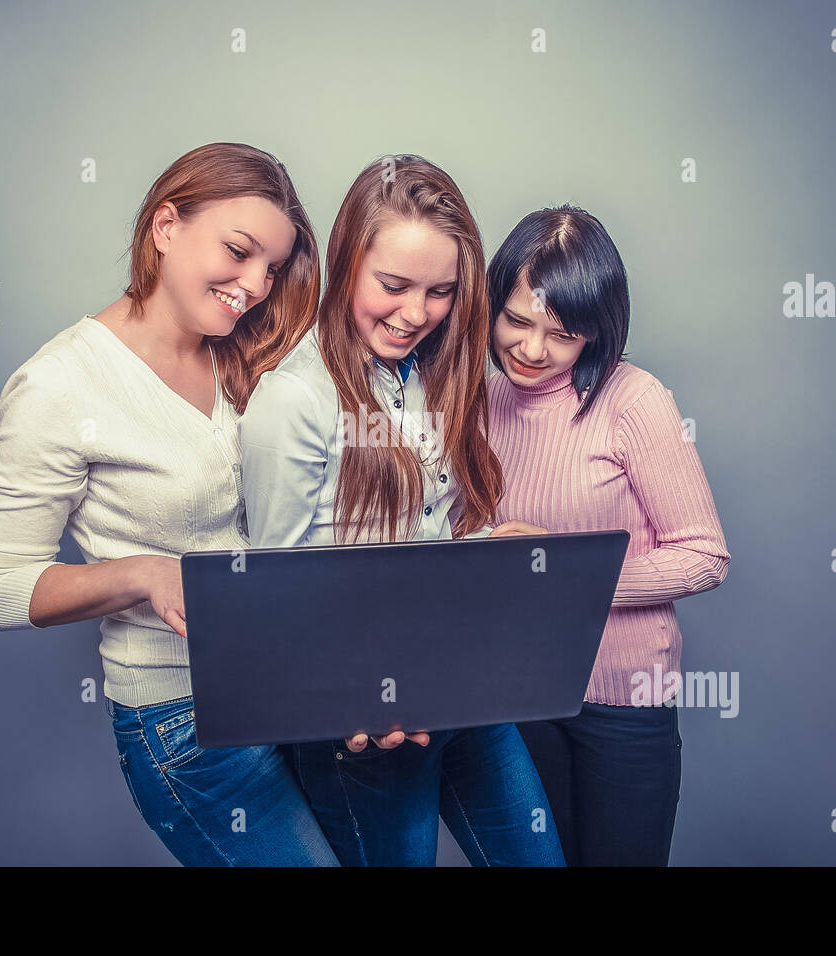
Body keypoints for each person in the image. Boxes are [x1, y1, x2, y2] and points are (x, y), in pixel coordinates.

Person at [0, 142, 341, 865]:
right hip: (183, 719)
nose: (255, 284)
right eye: (238, 251)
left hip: (291, 689)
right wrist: (143, 573)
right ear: (165, 225)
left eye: (272, 268)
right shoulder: (60, 385)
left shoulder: (249, 353)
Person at [238, 154, 564, 866]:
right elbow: (274, 594)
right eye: (393, 286)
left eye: (440, 292)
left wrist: (496, 554)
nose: (416, 314)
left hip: (464, 691)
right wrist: (347, 699)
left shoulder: (440, 372)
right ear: (347, 261)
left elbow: (436, 537)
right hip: (366, 729)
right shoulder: (294, 399)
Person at [484, 204, 731, 865]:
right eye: (516, 321)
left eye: (561, 335)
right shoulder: (478, 400)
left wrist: (562, 575)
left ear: (596, 332)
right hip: (519, 693)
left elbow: (706, 556)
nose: (532, 350)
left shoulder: (635, 400)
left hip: (625, 701)